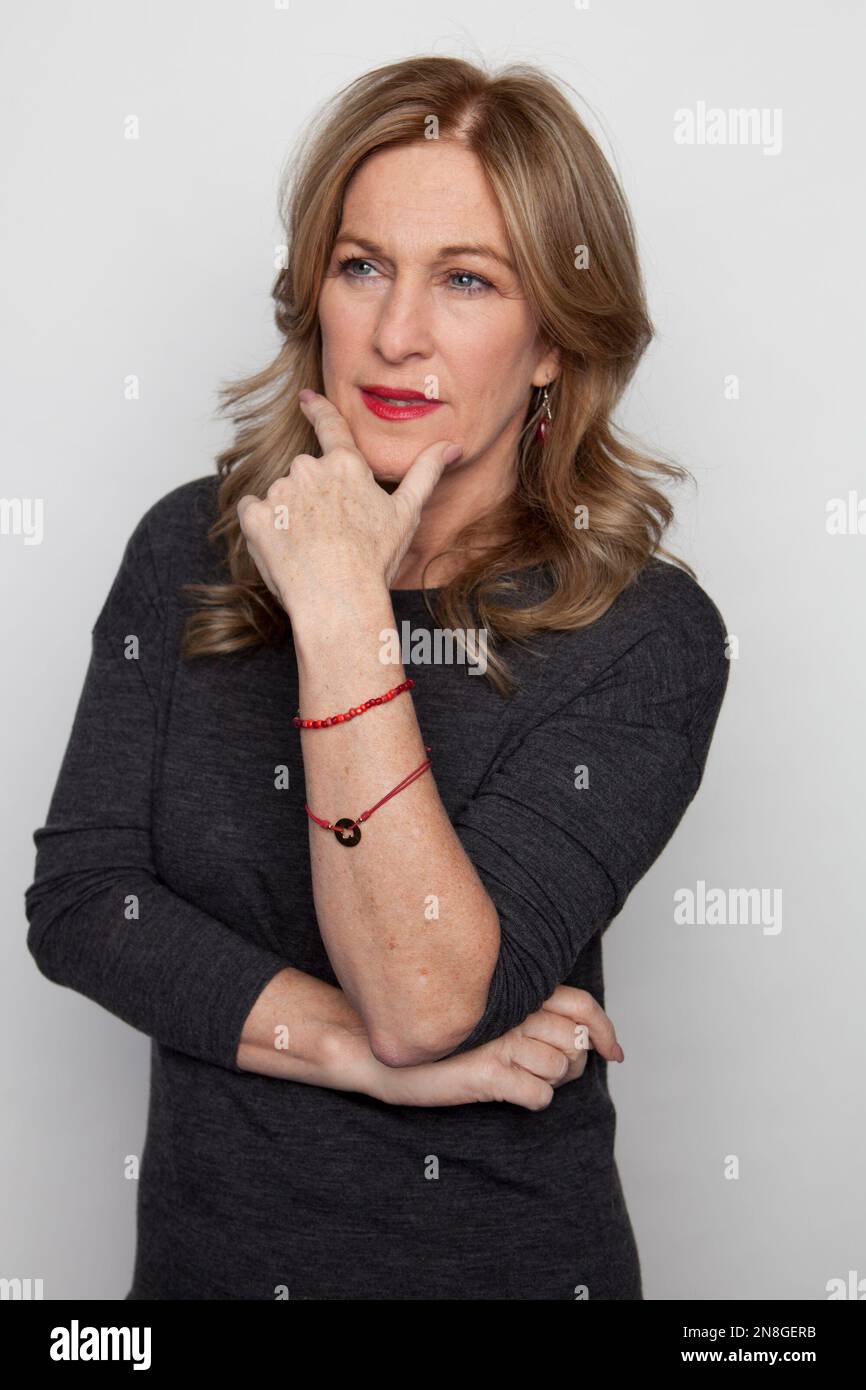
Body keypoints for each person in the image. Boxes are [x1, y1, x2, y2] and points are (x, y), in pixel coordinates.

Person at [24, 55, 729, 1300]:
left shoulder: (643, 633)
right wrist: (366, 1060)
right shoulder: (187, 549)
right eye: (362, 267)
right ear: (315, 294)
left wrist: (344, 606)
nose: (396, 333)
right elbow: (83, 905)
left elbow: (423, 996)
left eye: (466, 279)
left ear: (557, 342)